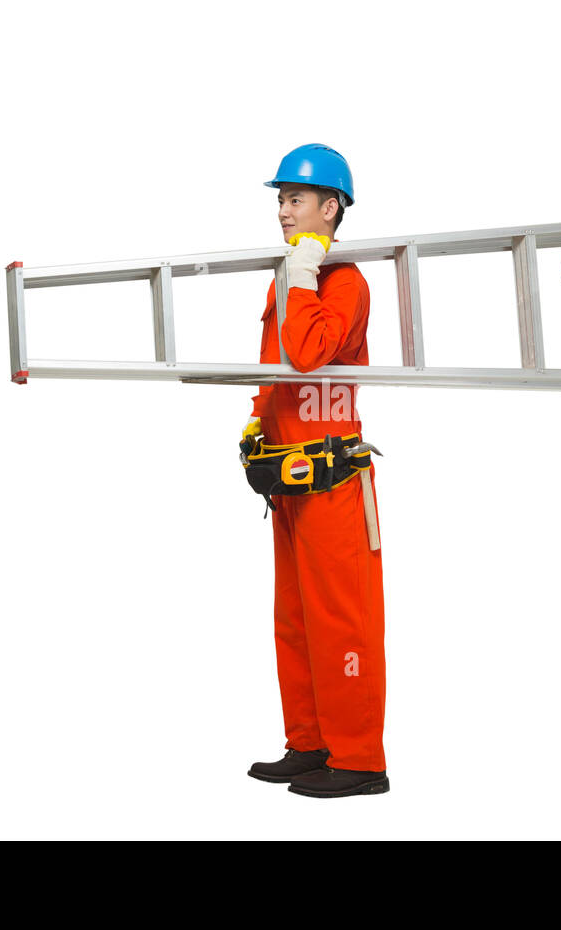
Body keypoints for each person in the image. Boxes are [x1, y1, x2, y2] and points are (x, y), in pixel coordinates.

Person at [242, 144, 389, 798]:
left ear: (330, 208)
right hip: (288, 476)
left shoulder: (342, 281)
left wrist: (302, 272)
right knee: (296, 620)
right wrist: (257, 423)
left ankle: (359, 760)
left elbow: (305, 352)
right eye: (280, 199)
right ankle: (310, 743)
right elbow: (276, 366)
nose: (283, 210)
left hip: (333, 481)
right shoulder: (291, 276)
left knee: (341, 621)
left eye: (295, 199)